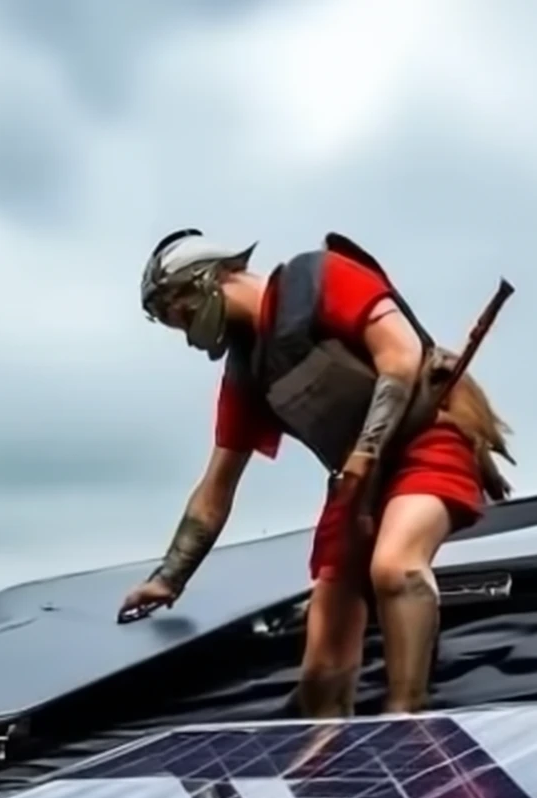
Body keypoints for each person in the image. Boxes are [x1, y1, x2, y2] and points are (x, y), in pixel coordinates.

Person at [117, 228, 514, 716]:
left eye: (177, 315)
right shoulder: (248, 372)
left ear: (204, 281)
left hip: (424, 436)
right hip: (356, 481)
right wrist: (170, 576)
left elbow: (400, 355)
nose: (185, 332)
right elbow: (216, 487)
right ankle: (325, 741)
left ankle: (407, 717)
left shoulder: (317, 278)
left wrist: (366, 452)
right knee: (323, 662)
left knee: (394, 567)